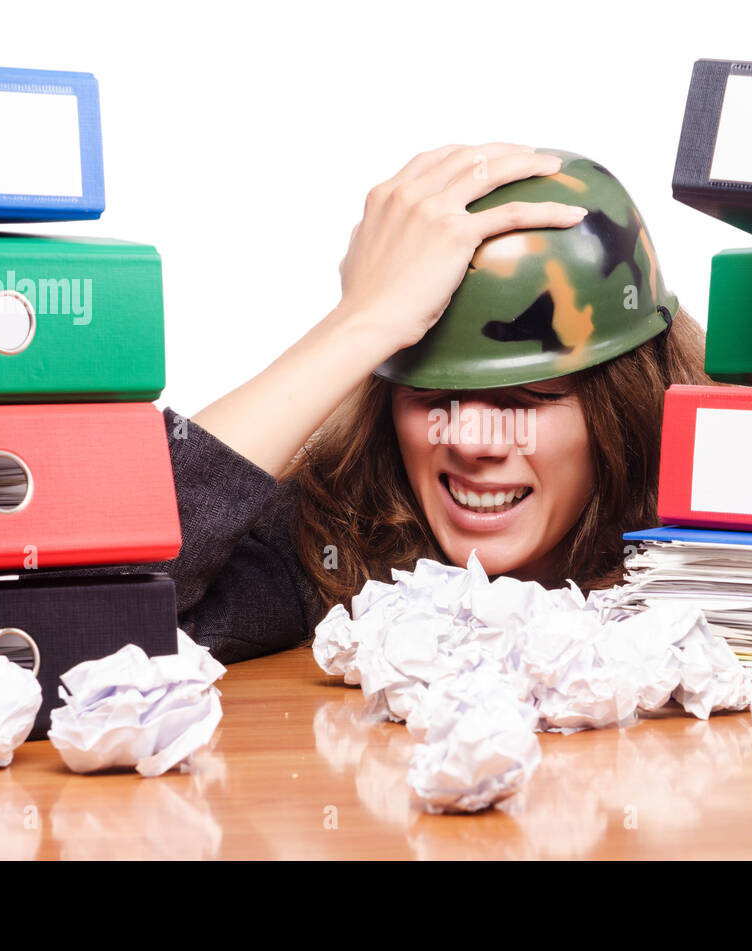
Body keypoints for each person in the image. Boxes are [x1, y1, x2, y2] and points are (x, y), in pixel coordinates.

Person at [154, 144, 710, 662]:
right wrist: (358, 324)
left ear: (625, 406)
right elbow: (92, 613)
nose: (467, 439)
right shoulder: (327, 542)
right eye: (431, 394)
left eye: (532, 396)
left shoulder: (727, 555)